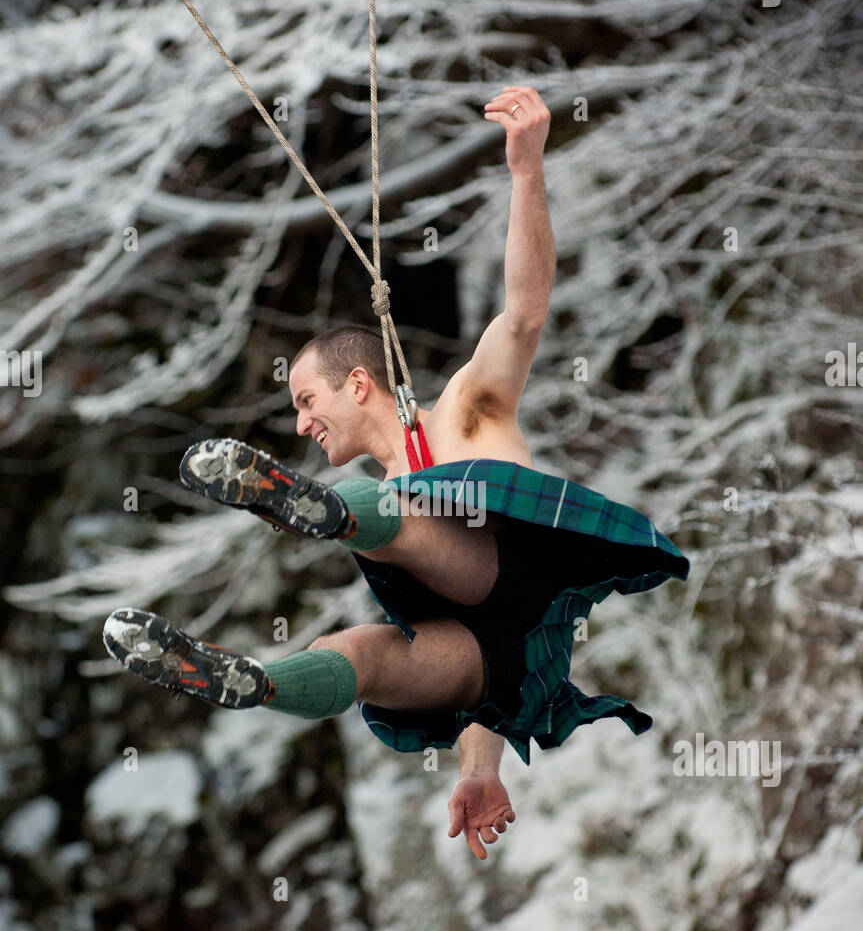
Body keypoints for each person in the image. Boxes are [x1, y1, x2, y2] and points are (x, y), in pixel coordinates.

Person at [103, 85, 689, 860]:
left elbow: (524, 313)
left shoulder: (466, 412)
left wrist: (525, 172)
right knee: (371, 651)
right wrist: (479, 767)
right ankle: (253, 682)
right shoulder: (385, 500)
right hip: (501, 665)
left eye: (307, 401)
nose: (303, 424)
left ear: (356, 383)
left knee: (379, 512)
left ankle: (313, 512)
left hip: (520, 576)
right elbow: (487, 698)